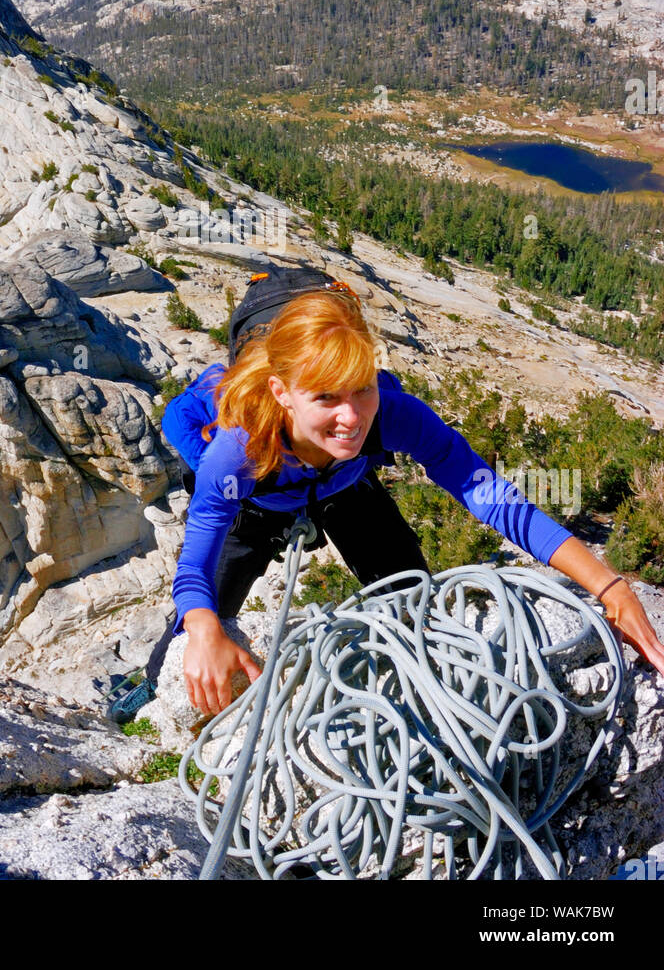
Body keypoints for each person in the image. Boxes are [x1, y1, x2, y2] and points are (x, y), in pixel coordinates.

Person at [149, 284, 664, 719]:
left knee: (414, 604)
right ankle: (148, 687)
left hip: (345, 486)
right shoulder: (238, 449)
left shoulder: (394, 414)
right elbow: (194, 564)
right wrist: (202, 626)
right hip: (258, 496)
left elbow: (494, 499)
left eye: (361, 389)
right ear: (282, 392)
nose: (352, 417)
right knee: (202, 617)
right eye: (326, 397)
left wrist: (609, 585)